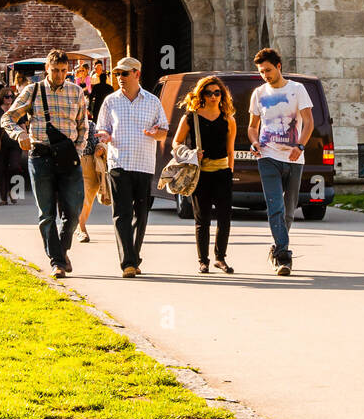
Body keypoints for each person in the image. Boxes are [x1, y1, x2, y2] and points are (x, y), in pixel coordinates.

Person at [0, 48, 87, 279]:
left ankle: (61, 249)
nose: (59, 75)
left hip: (68, 156)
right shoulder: (33, 90)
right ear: (47, 69)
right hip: (41, 156)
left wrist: (77, 151)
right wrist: (19, 134)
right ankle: (57, 261)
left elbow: (83, 127)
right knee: (46, 213)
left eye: (63, 71)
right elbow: (7, 117)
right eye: (55, 70)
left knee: (74, 212)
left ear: (67, 70)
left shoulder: (76, 92)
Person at [96, 56, 168, 277]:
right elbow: (101, 129)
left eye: (124, 74)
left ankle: (134, 256)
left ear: (137, 74)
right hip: (119, 163)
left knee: (141, 214)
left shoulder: (153, 101)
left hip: (144, 164)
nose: (120, 78)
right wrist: (105, 137)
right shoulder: (110, 101)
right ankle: (127, 262)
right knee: (122, 213)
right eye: (117, 74)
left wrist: (157, 133)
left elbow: (164, 130)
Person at [248, 48, 314, 276]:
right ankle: (284, 257)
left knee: (289, 209)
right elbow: (252, 126)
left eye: (267, 70)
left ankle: (277, 247)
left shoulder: (297, 89)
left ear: (279, 66)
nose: (264, 75)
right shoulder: (258, 93)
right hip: (268, 156)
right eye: (261, 72)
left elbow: (308, 122)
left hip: (295, 157)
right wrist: (255, 142)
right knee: (274, 206)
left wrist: (300, 146)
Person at [172, 75, 236, 274]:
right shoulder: (191, 117)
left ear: (222, 95)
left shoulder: (228, 119)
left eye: (217, 93)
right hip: (201, 174)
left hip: (222, 172)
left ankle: (220, 258)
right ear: (202, 95)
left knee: (225, 218)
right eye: (209, 93)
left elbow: (230, 150)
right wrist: (190, 154)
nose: (213, 96)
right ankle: (203, 260)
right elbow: (176, 142)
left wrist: (230, 173)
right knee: (202, 219)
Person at [75, 114, 102, 242]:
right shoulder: (66, 124)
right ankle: (81, 227)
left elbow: (96, 141)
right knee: (79, 196)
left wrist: (99, 148)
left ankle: (79, 224)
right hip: (71, 160)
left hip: (88, 161)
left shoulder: (90, 125)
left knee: (88, 197)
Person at [0, 88, 19, 206]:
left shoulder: (16, 110)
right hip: (0, 144)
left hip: (15, 143)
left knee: (14, 167)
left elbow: (22, 124)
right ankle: (3, 197)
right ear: (2, 98)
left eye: (11, 97)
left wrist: (26, 138)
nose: (9, 99)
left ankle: (13, 192)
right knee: (1, 169)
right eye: (7, 97)